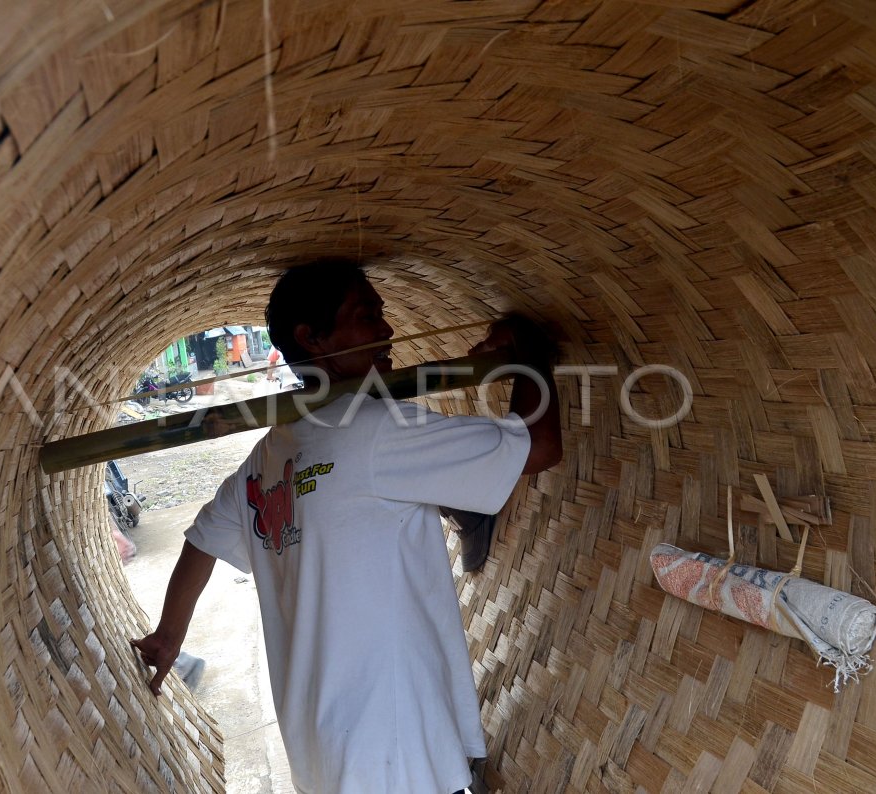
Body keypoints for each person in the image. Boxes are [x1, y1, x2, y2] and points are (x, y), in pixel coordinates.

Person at [132, 259, 562, 794]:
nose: (387, 330)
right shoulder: (378, 431)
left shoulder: (269, 456)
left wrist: (169, 635)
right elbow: (539, 445)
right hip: (397, 749)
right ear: (311, 338)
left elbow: (200, 542)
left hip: (322, 746)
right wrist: (529, 354)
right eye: (367, 315)